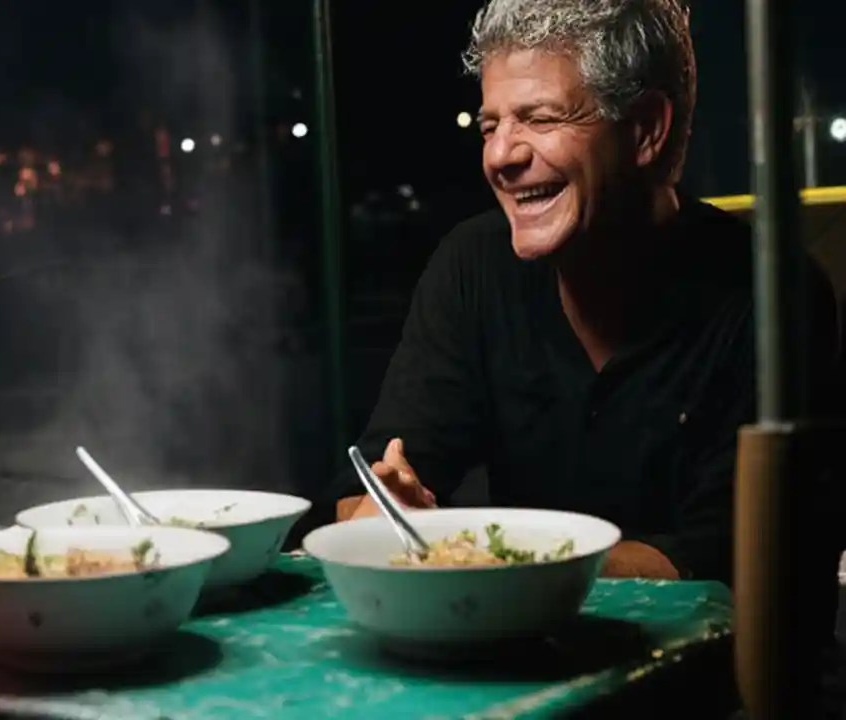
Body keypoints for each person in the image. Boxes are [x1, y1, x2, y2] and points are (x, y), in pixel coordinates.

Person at [334, 0, 841, 586]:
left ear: (646, 130)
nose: (500, 156)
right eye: (491, 126)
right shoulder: (472, 266)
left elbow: (727, 564)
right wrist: (384, 513)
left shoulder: (773, 299)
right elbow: (362, 497)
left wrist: (473, 554)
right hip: (513, 641)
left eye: (541, 119)